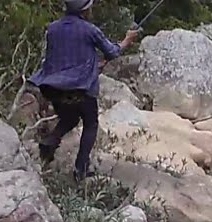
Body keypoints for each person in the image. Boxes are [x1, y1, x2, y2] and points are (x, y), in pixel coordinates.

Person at [29, 0, 140, 181]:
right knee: (91, 124)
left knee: (70, 118)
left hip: (52, 87)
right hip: (79, 89)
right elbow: (112, 51)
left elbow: (65, 58)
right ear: (84, 10)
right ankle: (81, 169)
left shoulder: (53, 28)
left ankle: (49, 142)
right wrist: (127, 40)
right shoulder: (90, 30)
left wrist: (95, 65)